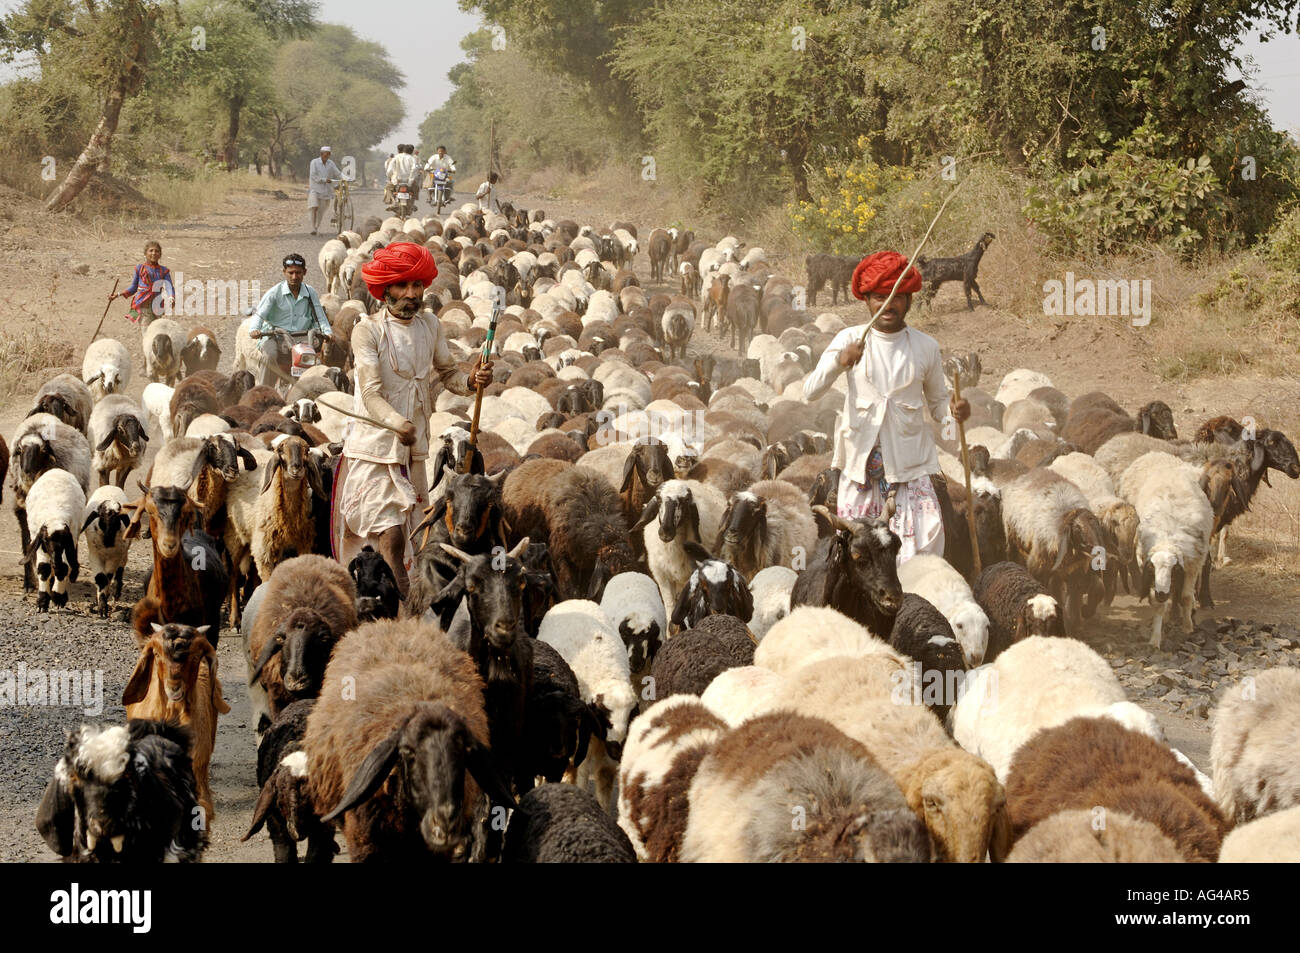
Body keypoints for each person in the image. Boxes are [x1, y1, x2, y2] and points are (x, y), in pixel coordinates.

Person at [333, 242, 493, 599]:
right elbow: (371, 392)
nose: (411, 294)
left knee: (413, 534)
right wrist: (396, 423)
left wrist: (471, 381)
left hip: (414, 448)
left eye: (417, 286)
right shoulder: (367, 331)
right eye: (402, 286)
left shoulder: (430, 325)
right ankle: (409, 605)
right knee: (388, 533)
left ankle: (394, 599)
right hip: (375, 447)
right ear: (385, 288)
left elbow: (448, 373)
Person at [802, 250, 970, 563]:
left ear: (908, 301)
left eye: (896, 297)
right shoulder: (849, 338)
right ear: (866, 300)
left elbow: (937, 405)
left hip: (910, 469)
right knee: (861, 560)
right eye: (879, 296)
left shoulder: (925, 346)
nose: (887, 305)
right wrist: (840, 362)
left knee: (922, 555)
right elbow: (810, 391)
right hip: (861, 470)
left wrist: (954, 413)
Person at [248, 253, 333, 388]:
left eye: (298, 273)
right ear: (284, 272)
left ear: (304, 272)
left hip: (304, 338)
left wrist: (327, 332)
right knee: (269, 356)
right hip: (276, 336)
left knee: (319, 363)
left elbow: (320, 315)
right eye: (291, 272)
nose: (294, 277)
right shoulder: (274, 292)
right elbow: (259, 315)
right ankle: (264, 393)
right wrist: (254, 330)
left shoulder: (311, 293)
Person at [111, 240, 175, 327]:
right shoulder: (140, 268)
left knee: (156, 330)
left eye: (157, 251)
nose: (154, 253)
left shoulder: (164, 271)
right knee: (146, 331)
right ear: (145, 253)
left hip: (157, 305)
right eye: (151, 250)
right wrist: (118, 294)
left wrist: (171, 297)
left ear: (160, 254)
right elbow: (134, 287)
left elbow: (169, 286)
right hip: (143, 305)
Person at [308, 146, 343, 236]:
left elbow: (338, 173)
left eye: (328, 154)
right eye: (325, 154)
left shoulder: (331, 163)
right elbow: (313, 175)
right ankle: (312, 227)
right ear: (321, 154)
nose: (326, 156)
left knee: (321, 211)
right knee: (313, 207)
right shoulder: (314, 162)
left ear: (330, 155)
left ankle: (317, 227)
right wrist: (324, 180)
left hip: (325, 191)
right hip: (314, 189)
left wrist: (345, 179)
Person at [387, 144, 419, 211]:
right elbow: (414, 169)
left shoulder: (396, 157)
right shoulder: (412, 158)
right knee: (416, 189)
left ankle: (394, 202)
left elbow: (390, 169)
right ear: (412, 151)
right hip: (408, 181)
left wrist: (390, 176)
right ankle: (412, 204)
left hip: (397, 180)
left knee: (388, 188)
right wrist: (411, 180)